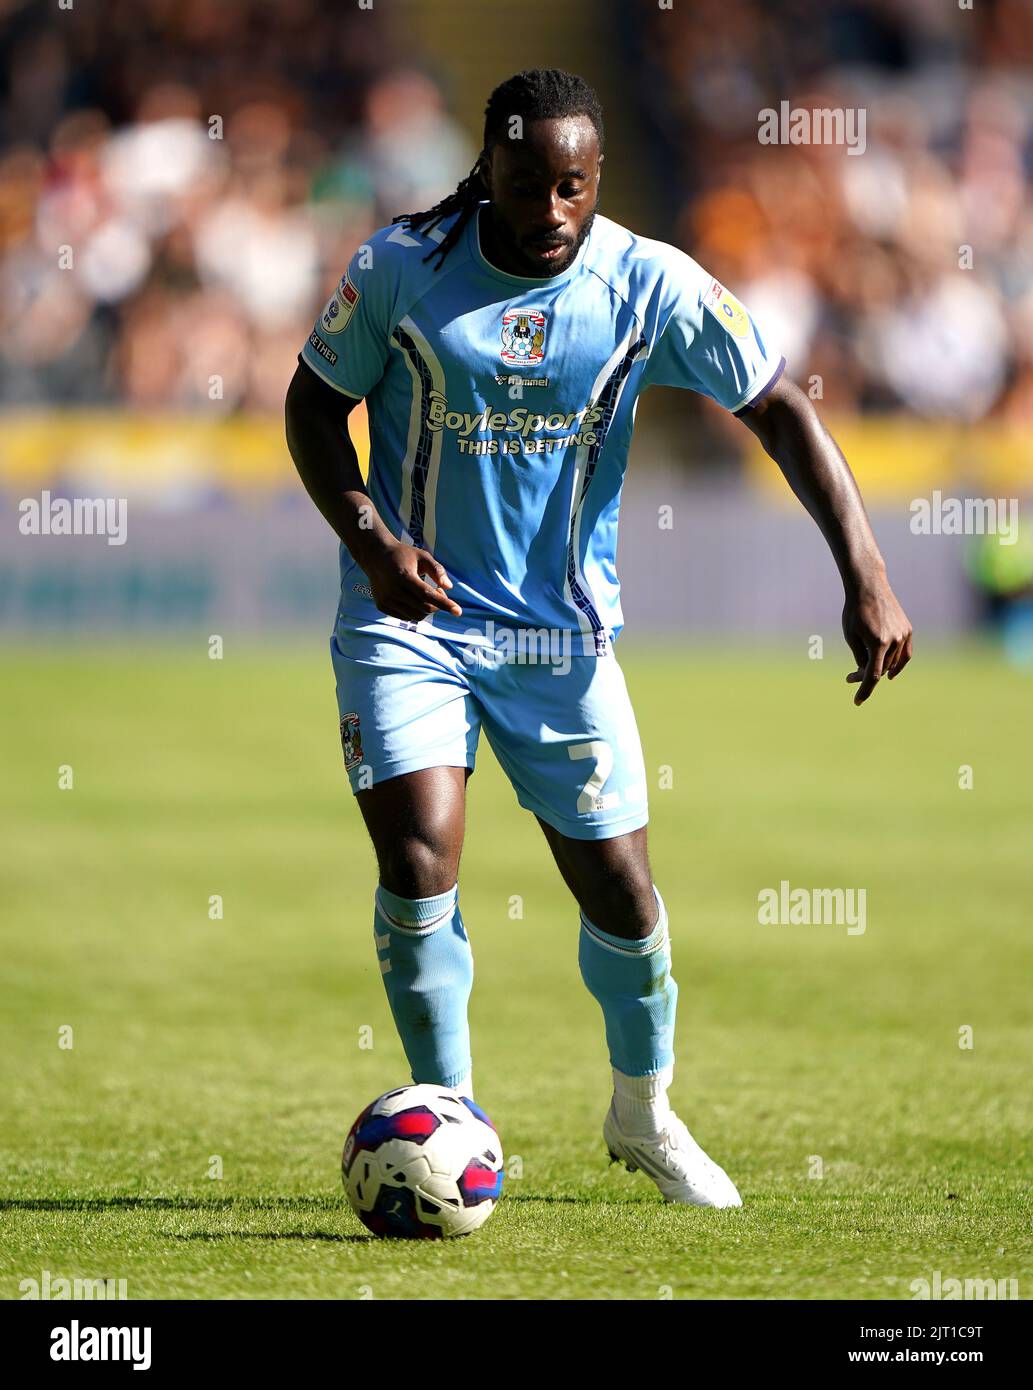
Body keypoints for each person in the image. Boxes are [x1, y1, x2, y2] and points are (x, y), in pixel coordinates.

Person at [285, 68, 912, 1208]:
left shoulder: (647, 281)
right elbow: (314, 404)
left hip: (559, 641)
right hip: (406, 620)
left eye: (572, 185)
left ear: (597, 178)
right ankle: (454, 1123)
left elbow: (778, 404)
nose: (551, 208)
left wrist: (865, 574)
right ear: (491, 170)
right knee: (420, 858)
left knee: (620, 892)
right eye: (528, 183)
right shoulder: (399, 268)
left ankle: (644, 1113)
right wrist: (373, 539)